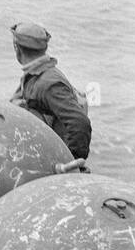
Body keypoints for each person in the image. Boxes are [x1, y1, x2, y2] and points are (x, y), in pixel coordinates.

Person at [8, 22, 90, 160]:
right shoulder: (37, 74)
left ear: (17, 49)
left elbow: (80, 123)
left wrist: (68, 161)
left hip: (51, 160)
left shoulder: (49, 84)